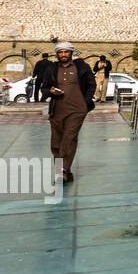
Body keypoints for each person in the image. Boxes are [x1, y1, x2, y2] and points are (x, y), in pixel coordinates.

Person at [36, 43, 96, 184]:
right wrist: (50, 91)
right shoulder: (51, 68)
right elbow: (44, 87)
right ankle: (65, 171)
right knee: (56, 142)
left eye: (66, 52)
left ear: (71, 53)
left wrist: (86, 102)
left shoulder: (82, 67)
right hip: (57, 109)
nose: (63, 54)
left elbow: (91, 84)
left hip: (78, 110)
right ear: (57, 54)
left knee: (69, 138)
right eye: (60, 52)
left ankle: (61, 170)